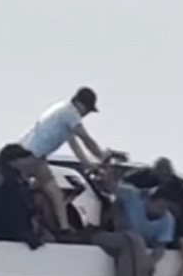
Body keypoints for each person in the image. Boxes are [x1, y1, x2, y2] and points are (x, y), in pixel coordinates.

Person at [17, 87, 113, 235]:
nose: (86, 114)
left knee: (49, 192)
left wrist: (87, 164)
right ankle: (63, 228)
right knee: (53, 192)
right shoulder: (70, 114)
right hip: (33, 157)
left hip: (31, 155)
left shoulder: (61, 110)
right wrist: (102, 156)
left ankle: (60, 226)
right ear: (81, 104)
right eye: (87, 110)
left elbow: (74, 144)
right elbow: (86, 139)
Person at [0, 144, 44, 251]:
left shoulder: (16, 178)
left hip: (15, 234)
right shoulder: (3, 179)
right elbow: (1, 209)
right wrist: (25, 235)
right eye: (24, 159)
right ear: (14, 161)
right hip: (6, 236)